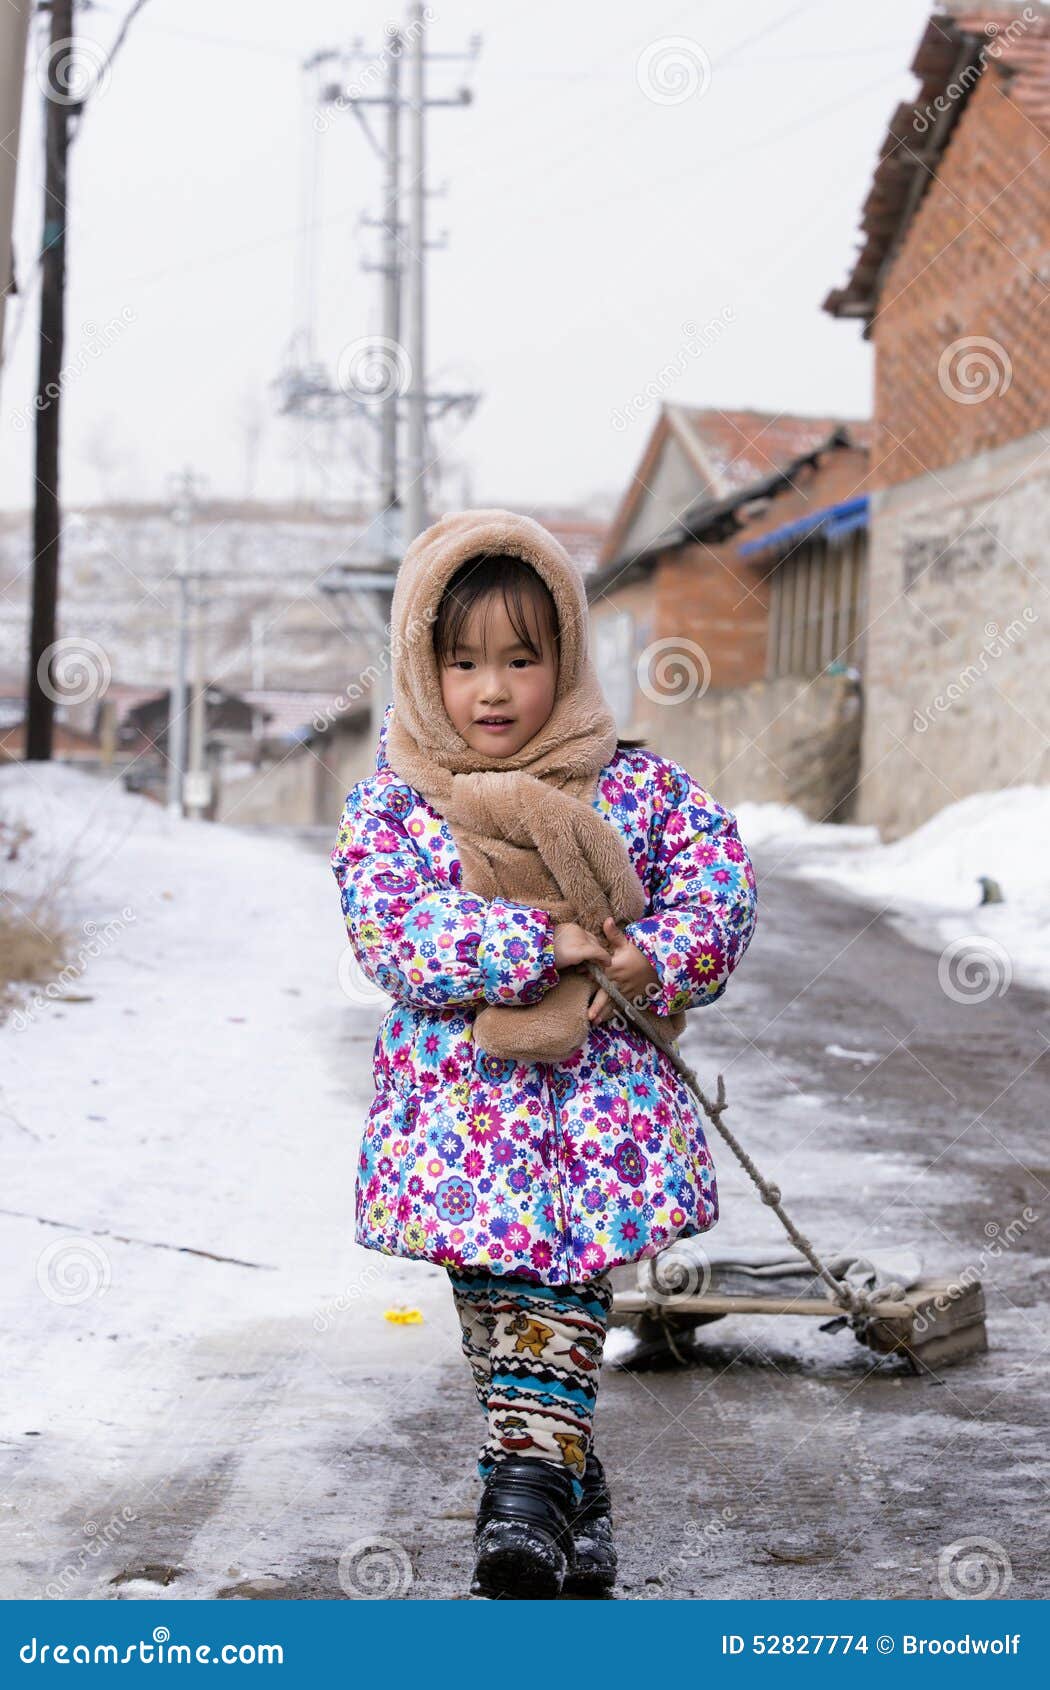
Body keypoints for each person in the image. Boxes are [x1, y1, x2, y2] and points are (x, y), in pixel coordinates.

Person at [329, 508, 758, 1599]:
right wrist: (541, 936)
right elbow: (398, 934)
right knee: (499, 1332)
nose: (492, 689)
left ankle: (519, 1503)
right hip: (459, 1125)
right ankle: (580, 1498)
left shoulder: (633, 788)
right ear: (423, 670)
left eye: (522, 659)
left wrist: (656, 952)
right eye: (463, 661)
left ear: (565, 658)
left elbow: (721, 876)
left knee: (558, 1308)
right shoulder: (396, 809)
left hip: (595, 1128)